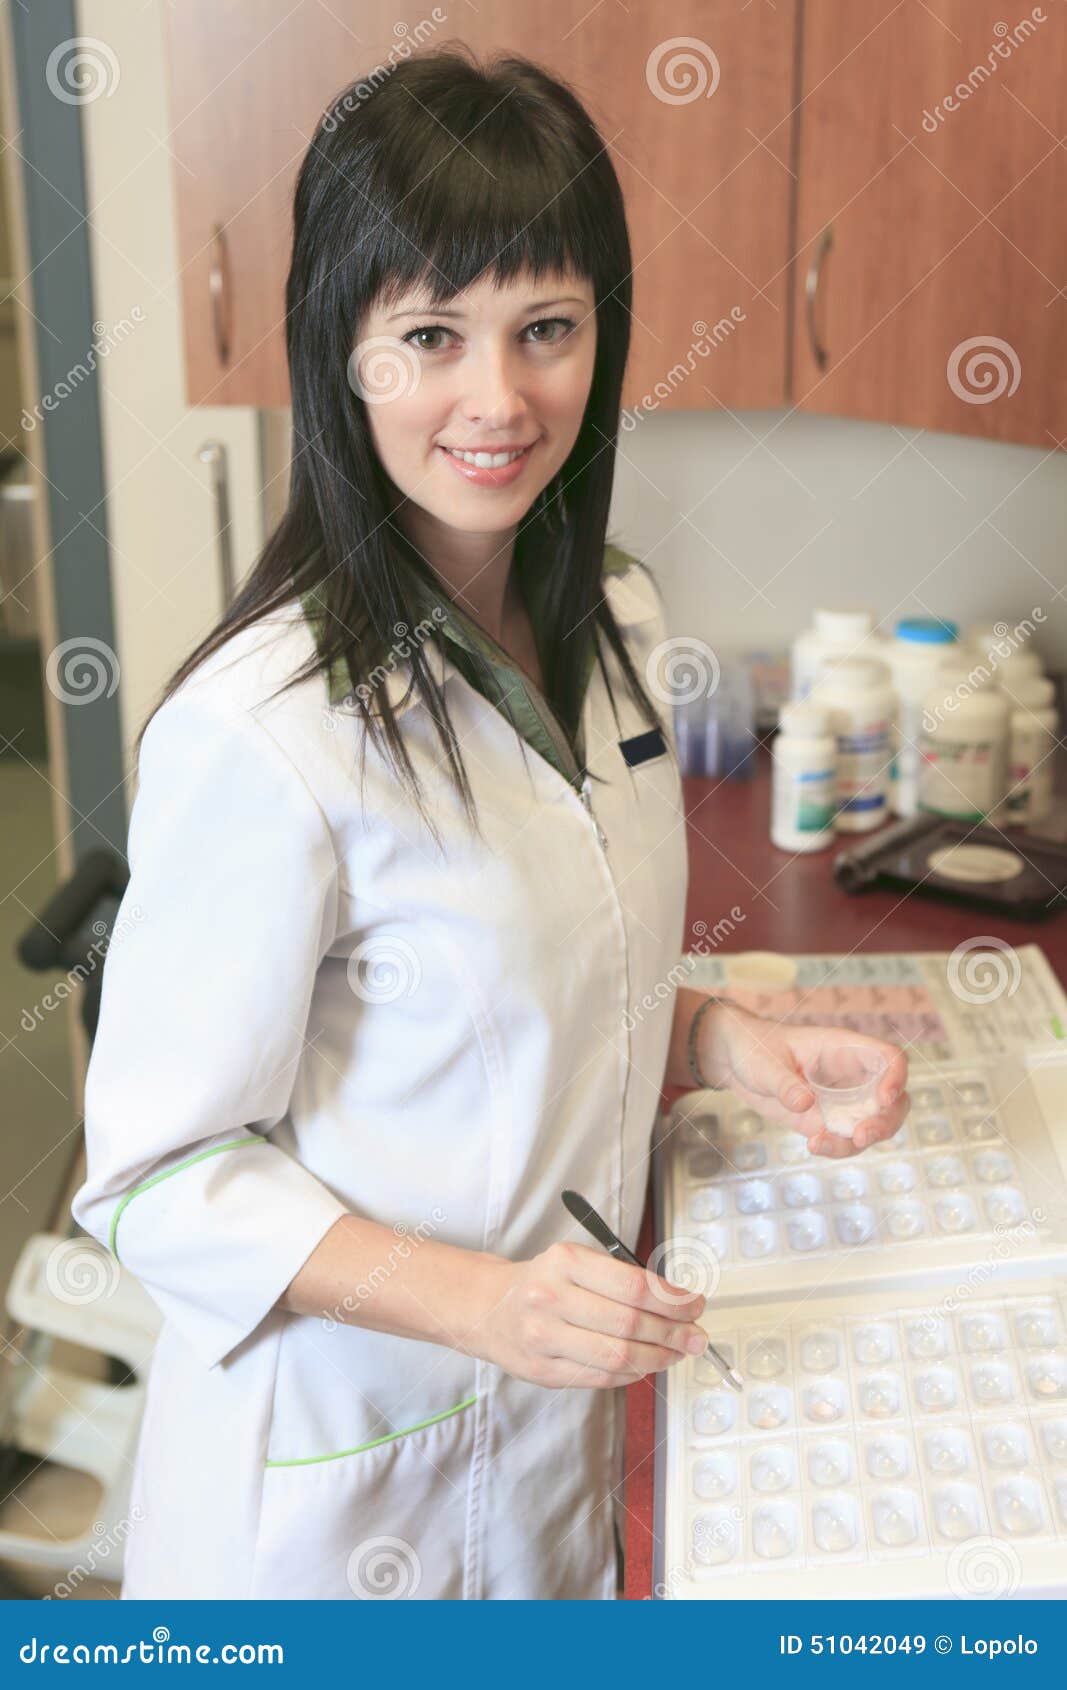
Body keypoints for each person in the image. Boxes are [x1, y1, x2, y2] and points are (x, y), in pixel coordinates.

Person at [72, 46, 909, 1601]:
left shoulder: (612, 619)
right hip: (330, 1502)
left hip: (547, 1456)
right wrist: (478, 1304)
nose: (497, 397)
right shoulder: (266, 733)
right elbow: (150, 1180)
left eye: (547, 330)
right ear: (343, 352)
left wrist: (717, 1041)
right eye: (430, 336)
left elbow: (528, 981)